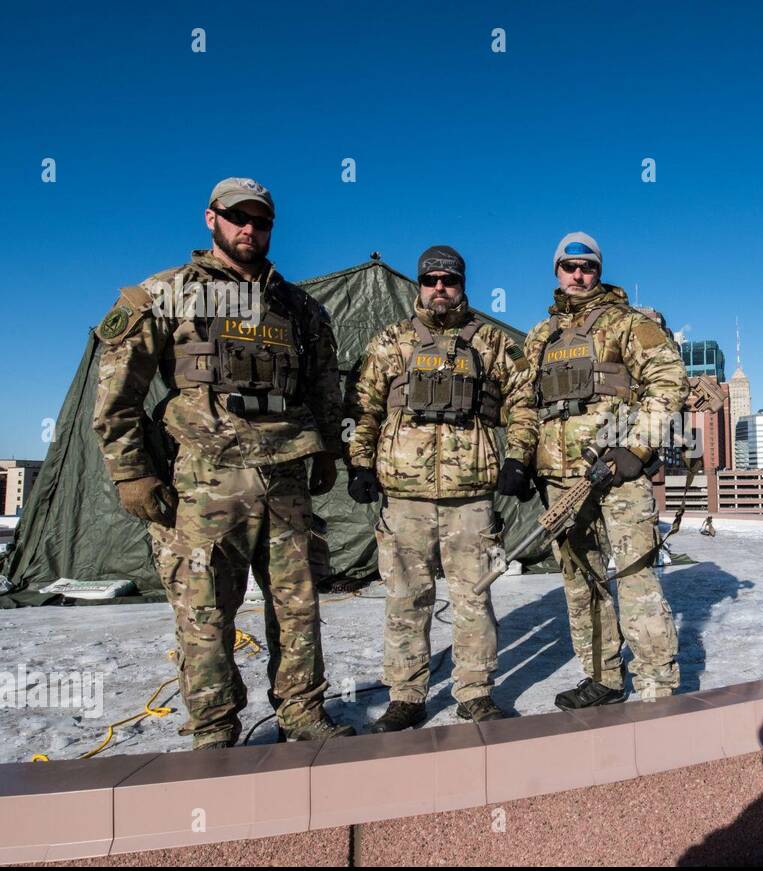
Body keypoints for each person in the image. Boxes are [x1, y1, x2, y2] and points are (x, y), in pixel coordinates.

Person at [92, 177, 352, 749]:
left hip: (285, 478)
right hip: (205, 482)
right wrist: (132, 472)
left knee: (297, 607)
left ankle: (303, 713)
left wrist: (329, 447)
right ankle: (213, 727)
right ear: (211, 219)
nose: (249, 229)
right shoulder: (165, 294)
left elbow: (325, 383)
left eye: (260, 221)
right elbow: (117, 396)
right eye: (238, 218)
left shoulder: (296, 306)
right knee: (205, 613)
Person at [345, 245, 535, 728]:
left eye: (448, 280)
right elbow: (364, 408)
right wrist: (359, 463)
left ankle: (474, 692)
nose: (439, 289)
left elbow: (522, 402)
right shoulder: (392, 341)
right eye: (430, 280)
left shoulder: (489, 342)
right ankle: (406, 696)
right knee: (407, 598)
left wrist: (517, 457)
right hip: (404, 495)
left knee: (474, 596)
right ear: (419, 285)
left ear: (462, 284)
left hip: (470, 495)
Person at [513, 232, 688, 708]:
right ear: (556, 271)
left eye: (587, 266)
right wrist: (521, 457)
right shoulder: (539, 336)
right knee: (580, 583)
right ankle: (603, 678)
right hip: (560, 482)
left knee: (635, 577)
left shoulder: (627, 324)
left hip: (619, 477)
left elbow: (669, 380)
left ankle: (657, 684)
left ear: (598, 270)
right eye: (569, 268)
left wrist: (635, 446)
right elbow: (524, 405)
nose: (578, 275)